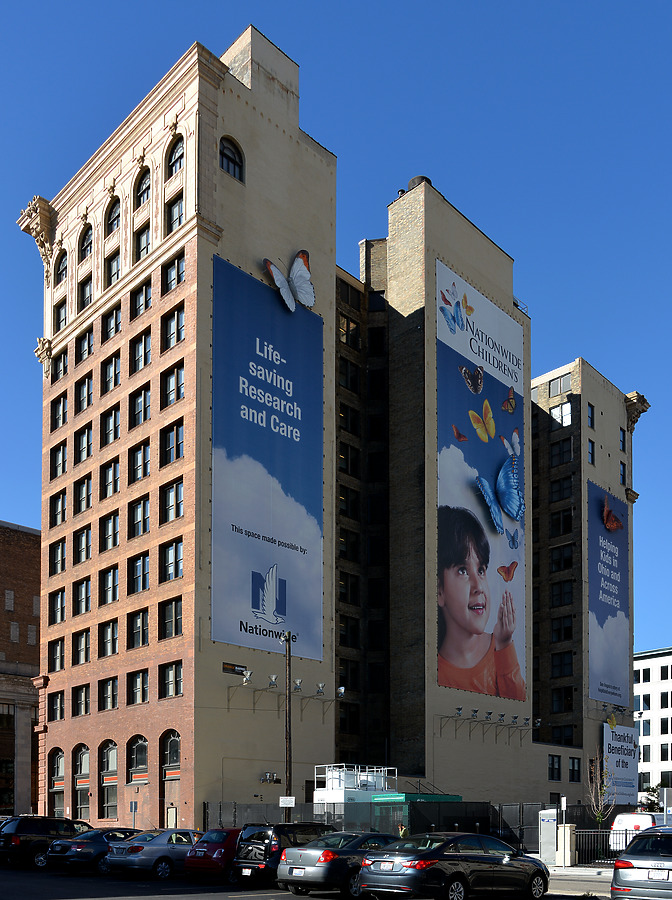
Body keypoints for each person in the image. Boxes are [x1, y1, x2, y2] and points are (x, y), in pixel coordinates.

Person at [437, 506, 525, 700]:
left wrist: (504, 644)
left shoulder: (500, 648)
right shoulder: (434, 672)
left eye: (481, 570)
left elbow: (518, 714)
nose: (478, 586)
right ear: (439, 590)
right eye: (462, 570)